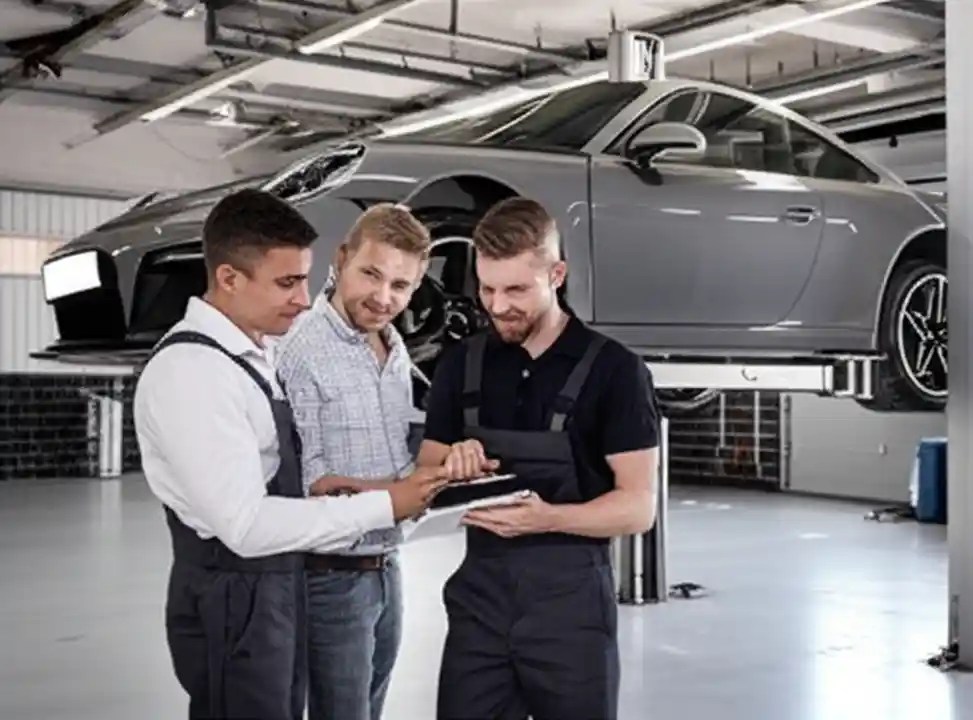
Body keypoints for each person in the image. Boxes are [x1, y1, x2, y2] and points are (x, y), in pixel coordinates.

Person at [132, 189, 448, 720]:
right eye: (287, 283)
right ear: (230, 278)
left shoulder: (253, 353)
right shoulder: (196, 371)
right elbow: (246, 524)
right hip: (243, 585)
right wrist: (387, 501)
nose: (302, 300)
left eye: (402, 285)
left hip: (282, 580)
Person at [421, 196, 662, 720]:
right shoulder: (461, 365)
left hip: (571, 611)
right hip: (478, 606)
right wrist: (451, 467)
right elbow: (424, 477)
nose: (498, 305)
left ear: (556, 275)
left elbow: (638, 507)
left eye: (516, 290)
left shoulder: (616, 371)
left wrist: (548, 518)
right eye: (487, 288)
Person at [273, 203, 435, 720]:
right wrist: (403, 495)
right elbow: (312, 484)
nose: (384, 297)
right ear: (341, 260)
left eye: (401, 285)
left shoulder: (393, 344)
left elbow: (401, 444)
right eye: (371, 273)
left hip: (388, 565)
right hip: (330, 577)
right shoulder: (301, 347)